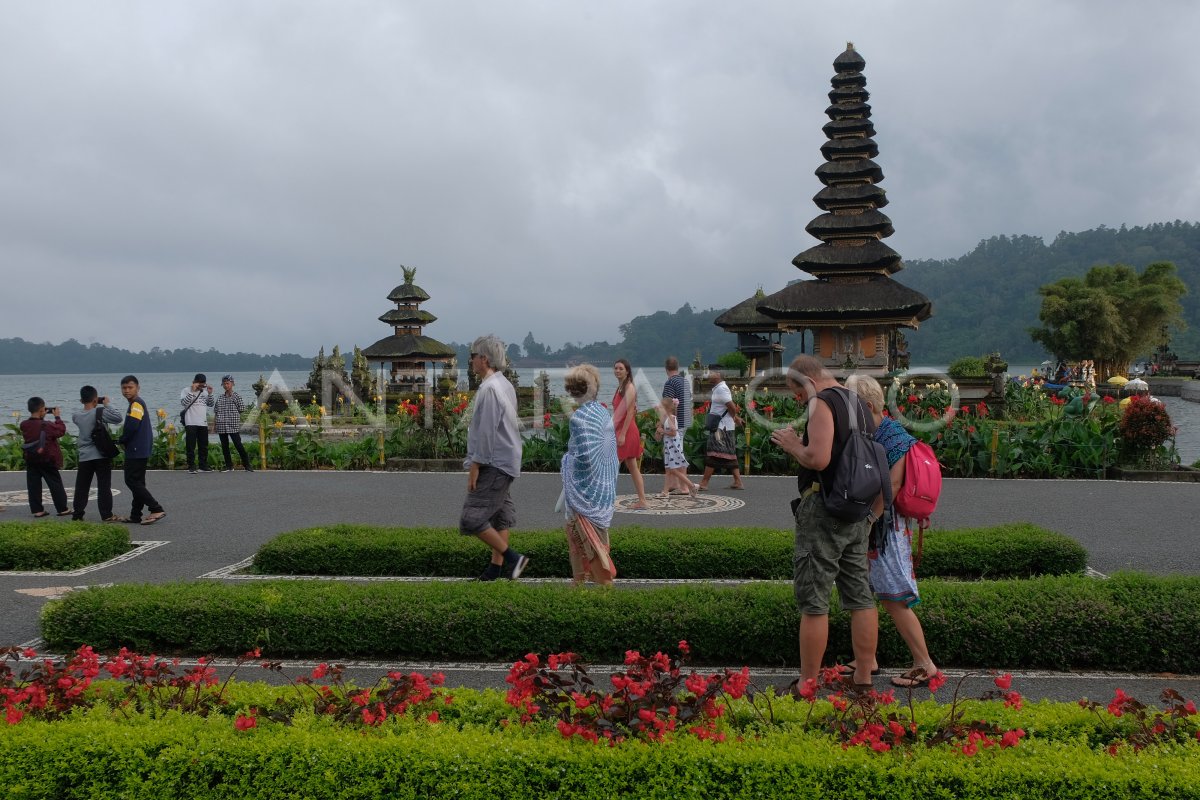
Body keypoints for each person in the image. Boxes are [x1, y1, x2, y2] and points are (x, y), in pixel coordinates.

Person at [769, 356, 880, 691]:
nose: (799, 401)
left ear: (807, 381)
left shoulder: (822, 403)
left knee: (814, 599)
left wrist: (792, 445)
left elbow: (818, 458)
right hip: (858, 507)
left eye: (797, 393)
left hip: (826, 507)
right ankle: (862, 678)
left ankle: (807, 683)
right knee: (860, 595)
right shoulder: (858, 402)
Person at [845, 374, 939, 688]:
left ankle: (925, 664)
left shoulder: (893, 436)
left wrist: (868, 521)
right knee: (867, 593)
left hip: (887, 528)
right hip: (879, 525)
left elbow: (892, 487)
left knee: (894, 598)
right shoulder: (876, 432)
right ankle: (866, 657)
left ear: (868, 405)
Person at [462, 335, 529, 581]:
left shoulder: (490, 389)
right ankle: (495, 571)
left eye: (472, 356)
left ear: (484, 359)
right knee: (499, 517)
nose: (470, 361)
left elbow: (487, 432)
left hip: (494, 462)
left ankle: (513, 558)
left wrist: (475, 465)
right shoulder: (504, 384)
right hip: (506, 458)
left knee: (472, 518)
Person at [559, 364, 618, 586]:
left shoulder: (578, 419)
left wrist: (566, 460)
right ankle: (582, 588)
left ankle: (595, 586)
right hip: (601, 489)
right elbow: (608, 451)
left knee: (586, 546)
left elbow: (583, 457)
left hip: (583, 493)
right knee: (595, 542)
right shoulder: (603, 412)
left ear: (572, 390)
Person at [71, 386, 126, 521]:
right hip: (101, 454)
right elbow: (118, 418)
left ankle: (77, 514)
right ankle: (106, 514)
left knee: (82, 487)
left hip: (84, 456)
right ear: (96, 400)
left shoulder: (76, 416)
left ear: (81, 400)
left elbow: (84, 415)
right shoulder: (100, 412)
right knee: (104, 486)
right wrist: (107, 404)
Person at [119, 375, 166, 525]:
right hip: (141, 448)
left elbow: (132, 425)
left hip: (136, 448)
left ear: (137, 388)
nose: (127, 391)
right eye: (124, 388)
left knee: (131, 480)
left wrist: (122, 439)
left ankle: (156, 508)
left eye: (130, 387)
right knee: (138, 482)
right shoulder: (135, 403)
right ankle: (135, 515)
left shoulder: (137, 404)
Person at [20, 397, 69, 517]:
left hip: (31, 458)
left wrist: (41, 416)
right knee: (55, 483)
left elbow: (34, 427)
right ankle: (62, 509)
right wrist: (57, 417)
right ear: (42, 409)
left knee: (33, 485)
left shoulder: (24, 424)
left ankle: (37, 510)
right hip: (47, 458)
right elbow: (61, 430)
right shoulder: (46, 425)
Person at [697, 368, 744, 491]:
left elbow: (731, 406)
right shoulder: (719, 388)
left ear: (718, 374)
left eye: (711, 372)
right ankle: (738, 481)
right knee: (729, 454)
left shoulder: (722, 389)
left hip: (721, 428)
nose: (708, 375)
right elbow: (729, 408)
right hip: (724, 426)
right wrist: (735, 418)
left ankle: (704, 483)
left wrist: (734, 417)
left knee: (714, 454)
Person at [612, 359, 648, 509]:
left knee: (612, 465)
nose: (617, 371)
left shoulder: (629, 387)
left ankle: (604, 499)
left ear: (627, 371)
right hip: (621, 430)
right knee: (632, 466)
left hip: (627, 431)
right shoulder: (620, 387)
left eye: (620, 368)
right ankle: (642, 500)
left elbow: (630, 413)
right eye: (615, 368)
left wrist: (622, 435)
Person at [660, 356, 694, 494]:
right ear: (677, 367)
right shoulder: (685, 381)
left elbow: (667, 404)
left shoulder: (670, 383)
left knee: (676, 453)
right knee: (676, 451)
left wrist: (662, 424)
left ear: (666, 369)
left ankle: (684, 487)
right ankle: (674, 483)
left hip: (675, 422)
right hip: (685, 420)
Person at [655, 397, 697, 497]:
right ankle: (665, 491)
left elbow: (674, 432)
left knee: (672, 470)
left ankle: (692, 486)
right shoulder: (665, 419)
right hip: (669, 447)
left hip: (673, 447)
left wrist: (663, 431)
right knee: (669, 470)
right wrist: (659, 431)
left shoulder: (671, 418)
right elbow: (658, 437)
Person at [213, 375, 254, 472]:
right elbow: (216, 411)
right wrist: (214, 426)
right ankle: (229, 466)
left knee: (238, 445)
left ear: (232, 384)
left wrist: (232, 416)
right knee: (224, 446)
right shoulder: (220, 398)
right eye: (224, 384)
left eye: (228, 383)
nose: (226, 385)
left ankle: (247, 465)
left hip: (233, 425)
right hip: (221, 425)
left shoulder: (237, 397)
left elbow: (241, 409)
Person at [180, 373, 216, 473]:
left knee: (203, 445)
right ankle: (191, 466)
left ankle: (203, 465)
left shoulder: (204, 392)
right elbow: (184, 403)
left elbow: (210, 404)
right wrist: (193, 391)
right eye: (199, 384)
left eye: (203, 384)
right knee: (190, 445)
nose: (201, 386)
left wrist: (210, 393)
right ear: (194, 382)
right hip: (190, 422)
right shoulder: (186, 390)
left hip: (202, 422)